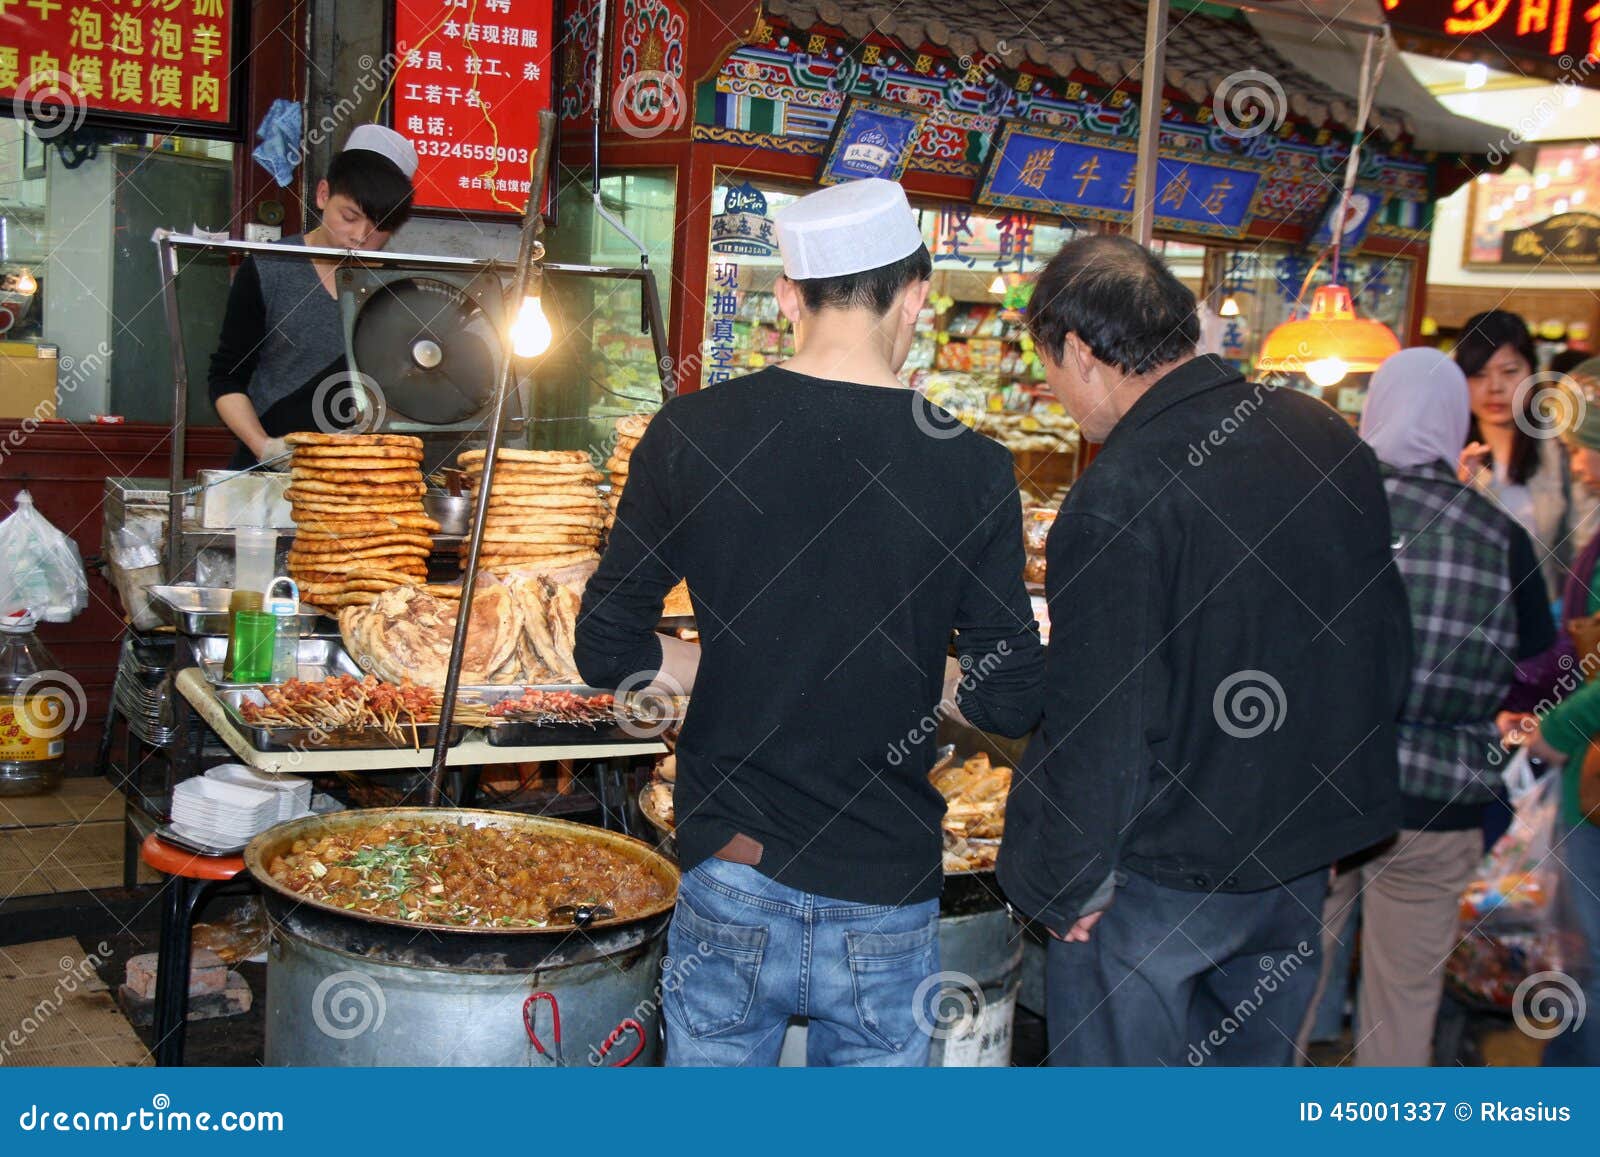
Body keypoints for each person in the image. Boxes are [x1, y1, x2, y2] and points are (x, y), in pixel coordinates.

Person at [574, 178, 1045, 1067]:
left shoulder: (693, 432)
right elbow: (1012, 696)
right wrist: (918, 673)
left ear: (787, 295)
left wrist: (727, 662)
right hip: (885, 888)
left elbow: (606, 647)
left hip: (733, 868)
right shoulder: (973, 465)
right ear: (916, 295)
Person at [996, 234, 1410, 1067]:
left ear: (1080, 350)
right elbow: (1383, 646)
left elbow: (1100, 718)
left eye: (1046, 365)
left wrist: (1069, 878)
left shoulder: (1116, 494)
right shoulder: (1323, 438)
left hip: (1154, 888)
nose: (1049, 388)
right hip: (1296, 861)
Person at [1295, 348, 1555, 1066]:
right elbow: (1534, 651)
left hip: (1323, 783)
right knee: (1403, 1001)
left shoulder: (1326, 504)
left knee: (1285, 986)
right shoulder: (1500, 534)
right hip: (1442, 800)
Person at [208, 124, 417, 468]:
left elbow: (411, 391)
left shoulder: (398, 288)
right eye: (350, 217)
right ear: (323, 194)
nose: (361, 236)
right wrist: (264, 447)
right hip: (268, 468)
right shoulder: (270, 267)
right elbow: (225, 377)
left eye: (381, 226)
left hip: (362, 476)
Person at [1520, 355, 1600, 1067]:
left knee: (1589, 964)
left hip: (1594, 781)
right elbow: (1565, 629)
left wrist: (1554, 726)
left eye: (1582, 450)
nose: (1575, 466)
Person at [1457, 310, 1596, 599]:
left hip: (1544, 624)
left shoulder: (1563, 447)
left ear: (1532, 373)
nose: (1495, 387)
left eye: (1509, 371)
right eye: (1479, 374)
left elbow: (1586, 543)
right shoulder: (1448, 449)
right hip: (1469, 615)